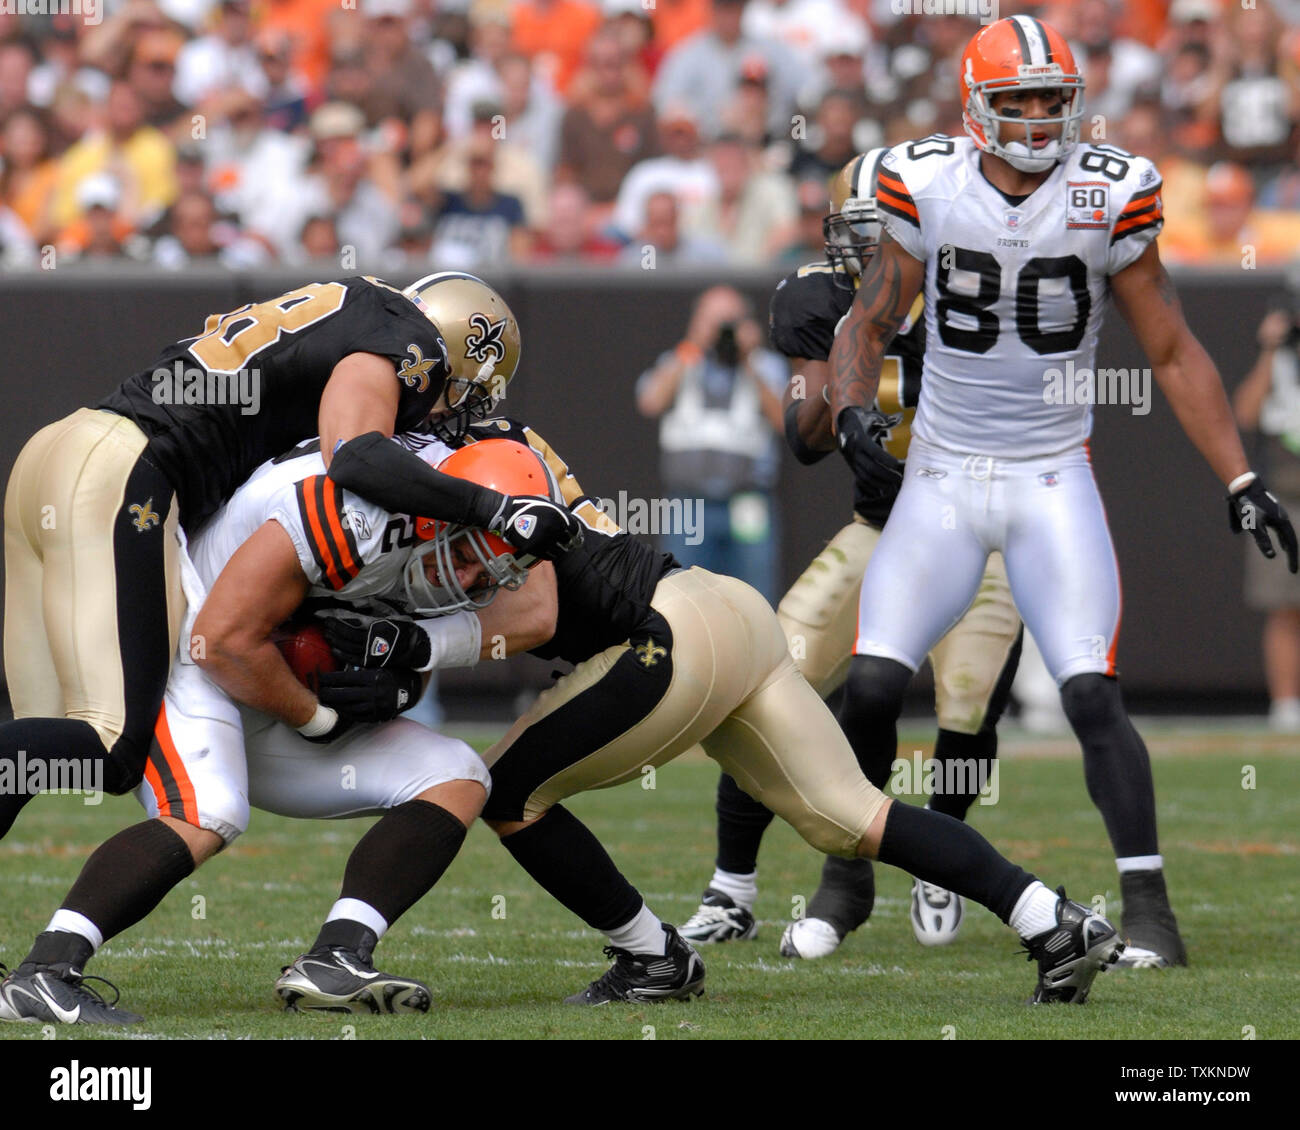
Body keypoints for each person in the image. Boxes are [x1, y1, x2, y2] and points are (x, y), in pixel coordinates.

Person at [328, 416, 1128, 1008]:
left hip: (666, 631)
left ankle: (653, 959)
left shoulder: (485, 466)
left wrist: (412, 647)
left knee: (505, 791)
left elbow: (532, 611)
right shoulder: (494, 445)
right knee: (853, 817)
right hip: (729, 612)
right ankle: (1052, 921)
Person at [825, 15, 1298, 971]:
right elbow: (869, 319)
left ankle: (1149, 906)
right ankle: (850, 872)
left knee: (1090, 692)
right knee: (872, 685)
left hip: (1051, 474)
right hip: (945, 475)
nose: (1040, 120)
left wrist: (1241, 477)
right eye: (1019, 101)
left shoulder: (1109, 189)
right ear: (975, 108)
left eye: (1054, 101)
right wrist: (847, 414)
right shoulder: (926, 182)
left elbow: (1169, 345)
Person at [0, 271, 582, 846]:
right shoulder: (411, 339)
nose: (441, 417)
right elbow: (356, 455)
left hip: (59, 454)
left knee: (40, 749)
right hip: (125, 477)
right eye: (458, 396)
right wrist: (498, 511)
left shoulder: (348, 308)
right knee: (110, 748)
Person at [0, 435, 556, 1024]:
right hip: (196, 655)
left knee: (457, 774)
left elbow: (533, 615)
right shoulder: (353, 511)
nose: (469, 582)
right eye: (468, 557)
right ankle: (46, 971)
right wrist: (317, 720)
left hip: (268, 683)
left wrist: (398, 678)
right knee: (206, 810)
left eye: (488, 572)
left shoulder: (444, 528)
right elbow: (221, 642)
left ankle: (336, 957)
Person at [679, 152, 1022, 960]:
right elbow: (800, 441)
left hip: (981, 531)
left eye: (887, 232)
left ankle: (939, 854)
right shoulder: (816, 297)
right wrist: (847, 367)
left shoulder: (984, 291)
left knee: (966, 705)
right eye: (858, 234)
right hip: (880, 526)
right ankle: (733, 888)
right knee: (763, 678)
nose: (866, 251)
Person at [635, 285, 785, 601]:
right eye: (713, 321)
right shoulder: (680, 360)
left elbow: (785, 420)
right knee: (682, 598)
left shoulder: (765, 366)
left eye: (728, 322)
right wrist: (691, 347)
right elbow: (650, 400)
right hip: (689, 504)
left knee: (754, 597)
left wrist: (748, 361)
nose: (721, 332)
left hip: (748, 502)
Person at [1232, 292, 1300, 731]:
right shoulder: (1278, 360)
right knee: (1283, 606)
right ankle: (1286, 705)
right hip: (1287, 495)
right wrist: (1270, 349)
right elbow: (1245, 412)